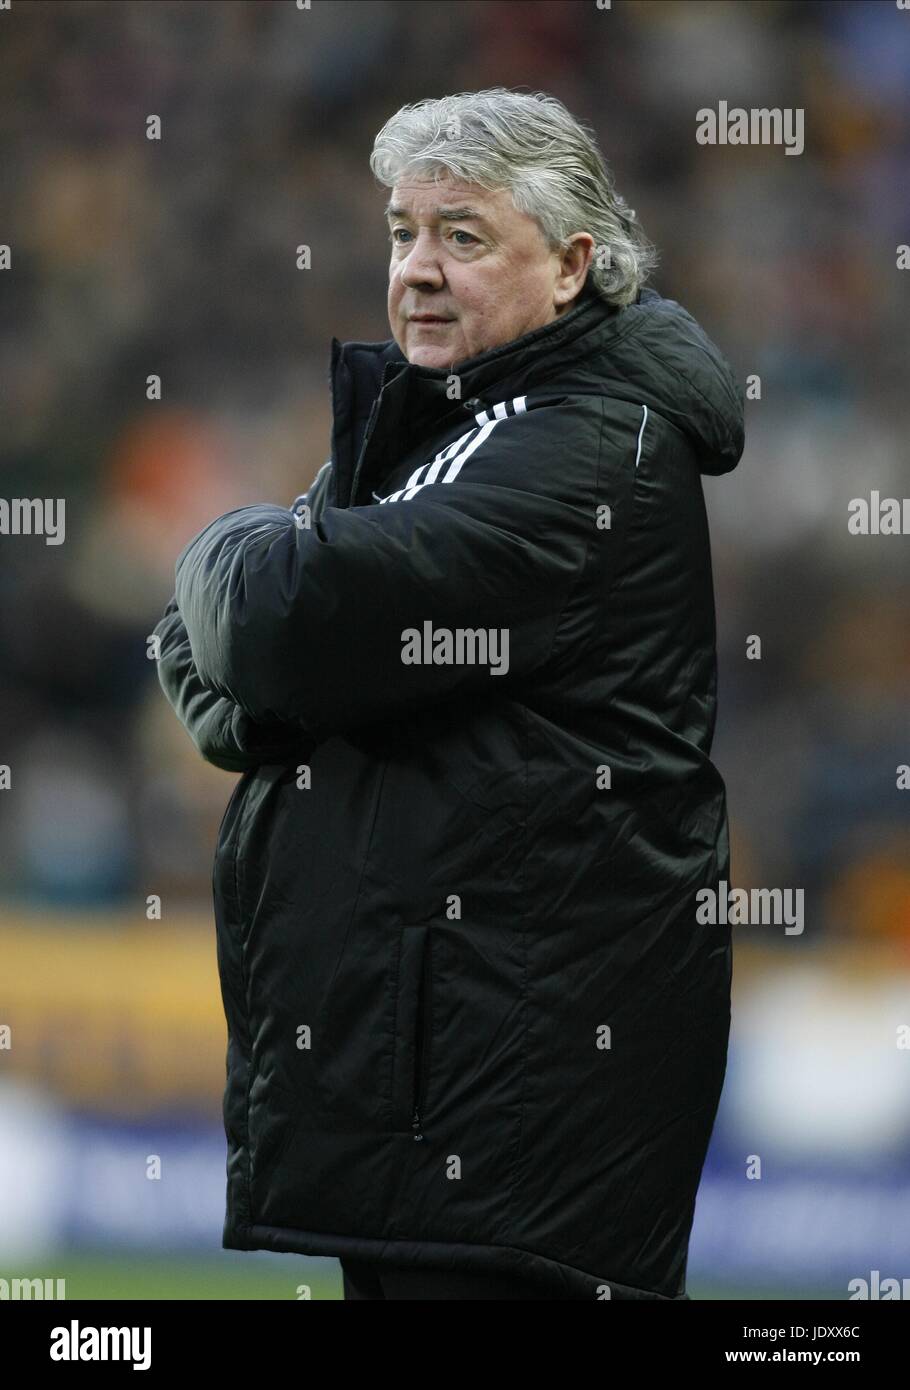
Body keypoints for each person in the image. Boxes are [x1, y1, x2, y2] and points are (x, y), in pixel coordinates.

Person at [153, 88, 744, 1301]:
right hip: (446, 1101)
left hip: (511, 1121)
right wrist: (273, 668)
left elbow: (268, 618)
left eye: (463, 238)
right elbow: (219, 660)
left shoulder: (577, 446)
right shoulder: (459, 428)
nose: (417, 271)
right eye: (400, 233)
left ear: (574, 265)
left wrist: (218, 543)